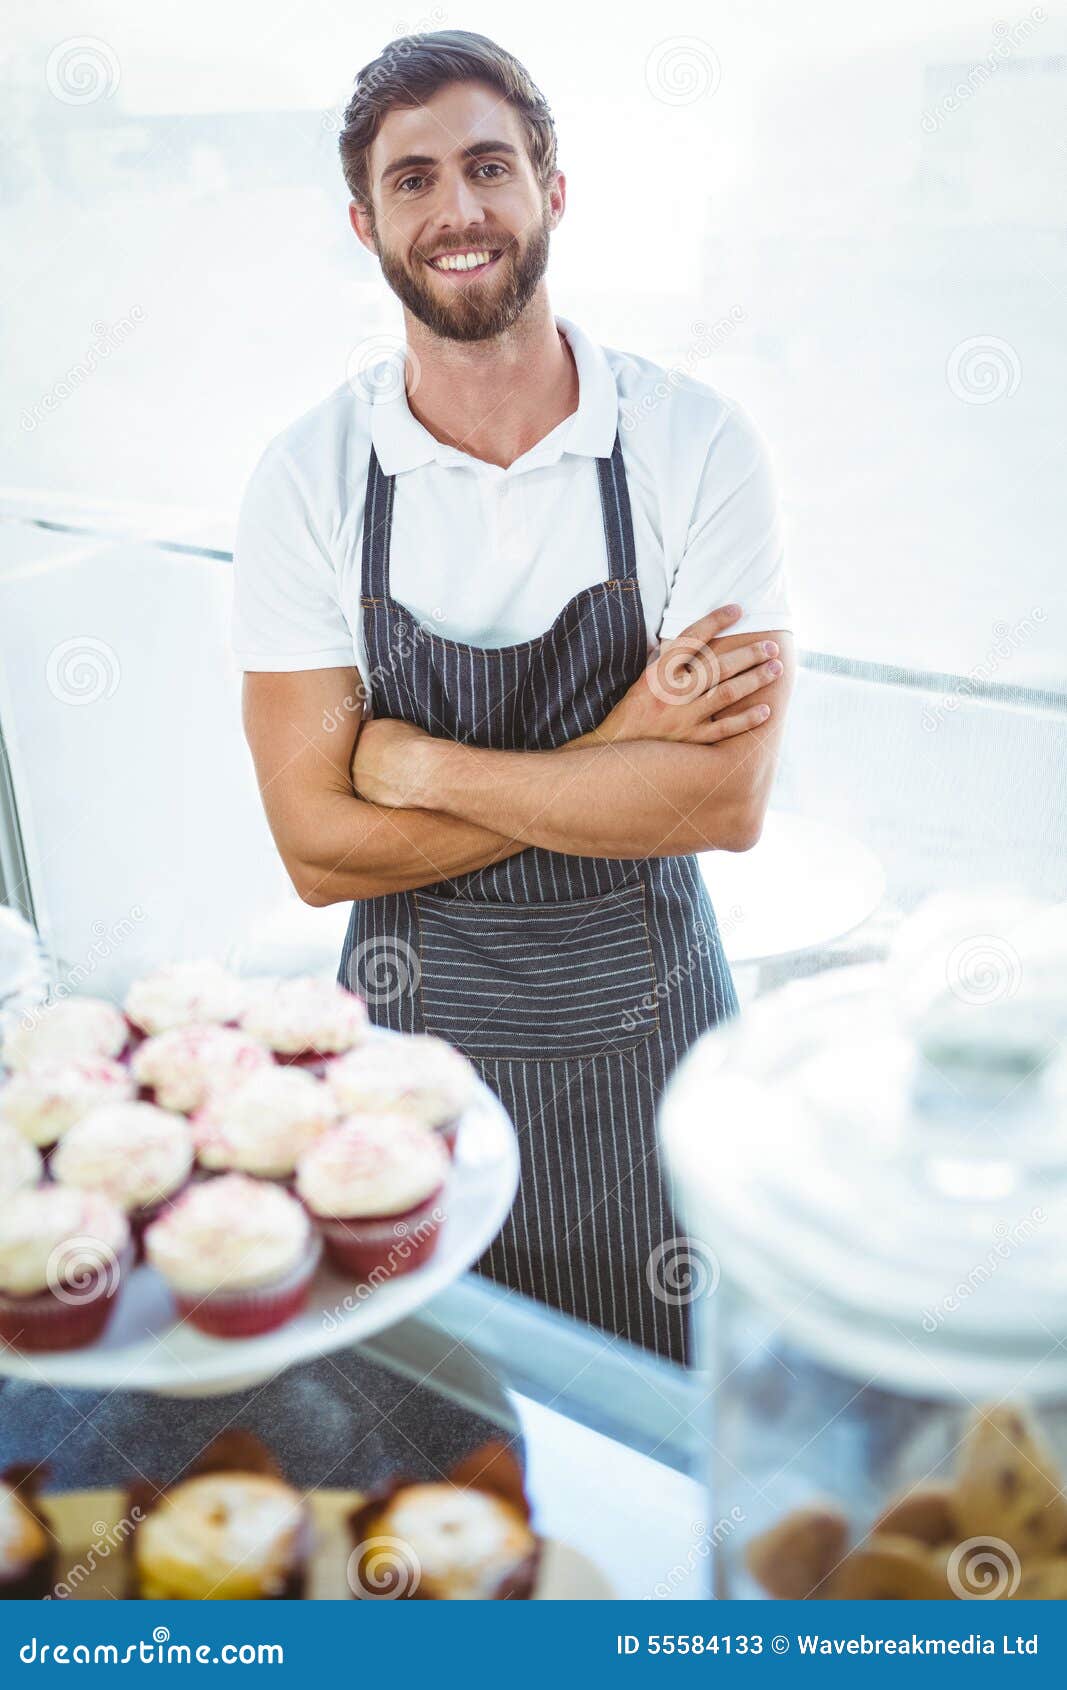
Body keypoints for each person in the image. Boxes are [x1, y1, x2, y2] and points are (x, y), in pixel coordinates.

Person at [234, 31, 794, 1364]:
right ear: (367, 222)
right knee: (432, 1450)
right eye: (415, 180)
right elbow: (315, 849)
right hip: (403, 1065)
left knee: (663, 1448)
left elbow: (722, 797)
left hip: (650, 1057)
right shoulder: (310, 477)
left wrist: (421, 766)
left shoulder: (693, 444)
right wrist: (620, 751)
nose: (459, 211)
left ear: (553, 187)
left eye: (491, 167)